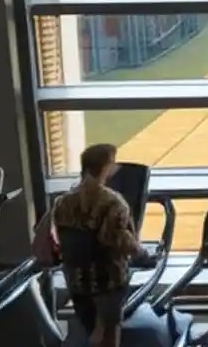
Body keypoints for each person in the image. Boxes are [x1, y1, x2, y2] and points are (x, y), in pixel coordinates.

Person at [51, 144, 146, 347]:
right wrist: (143, 253)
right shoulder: (113, 202)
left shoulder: (63, 202)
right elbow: (117, 239)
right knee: (110, 337)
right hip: (108, 281)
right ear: (106, 167)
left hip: (77, 281)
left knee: (90, 330)